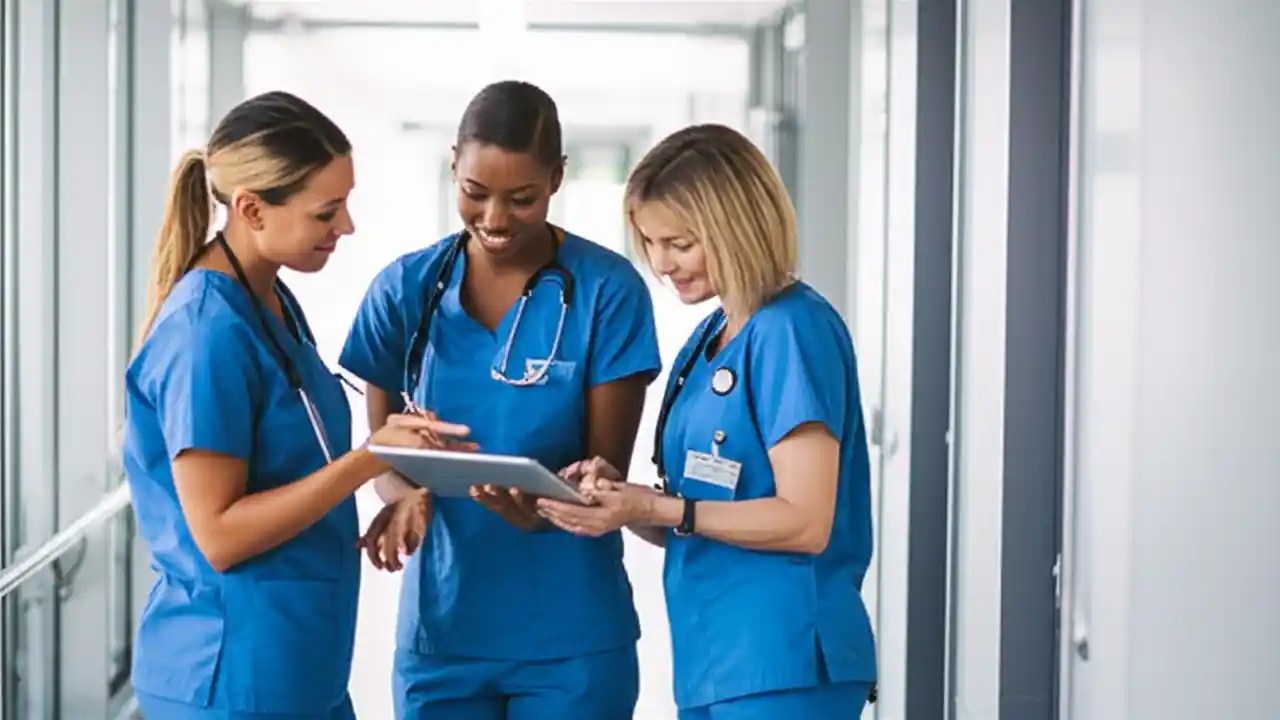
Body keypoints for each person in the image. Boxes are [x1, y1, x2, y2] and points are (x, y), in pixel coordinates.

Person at [123, 91, 464, 719]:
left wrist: (394, 485)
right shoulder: (205, 334)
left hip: (298, 667)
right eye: (326, 212)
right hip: (229, 677)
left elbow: (303, 460)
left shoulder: (269, 300)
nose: (347, 227)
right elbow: (220, 535)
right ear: (251, 208)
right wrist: (370, 459)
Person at [339, 80, 661, 720]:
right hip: (446, 630)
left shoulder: (607, 292)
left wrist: (540, 513)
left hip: (572, 635)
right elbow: (382, 455)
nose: (494, 219)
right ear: (453, 163)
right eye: (474, 193)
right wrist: (403, 499)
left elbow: (604, 476)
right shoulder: (406, 289)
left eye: (522, 199)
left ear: (558, 179)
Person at [537, 124, 878, 719]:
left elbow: (806, 522)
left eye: (681, 242)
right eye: (650, 243)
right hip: (717, 660)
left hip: (785, 661)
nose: (662, 263)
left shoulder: (792, 331)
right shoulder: (710, 339)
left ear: (735, 227)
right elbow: (700, 513)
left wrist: (654, 508)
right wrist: (623, 500)